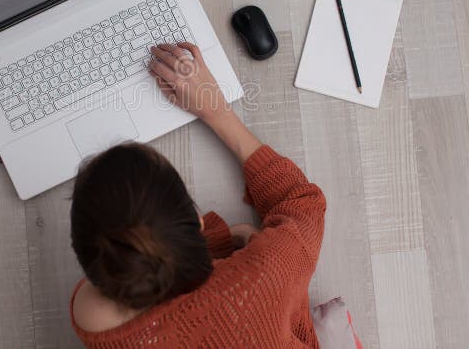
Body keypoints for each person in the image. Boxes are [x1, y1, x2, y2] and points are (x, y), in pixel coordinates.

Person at [69, 42, 327, 347]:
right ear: (196, 220)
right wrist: (216, 110)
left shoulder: (91, 315)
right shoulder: (267, 270)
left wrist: (220, 246)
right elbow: (301, 201)